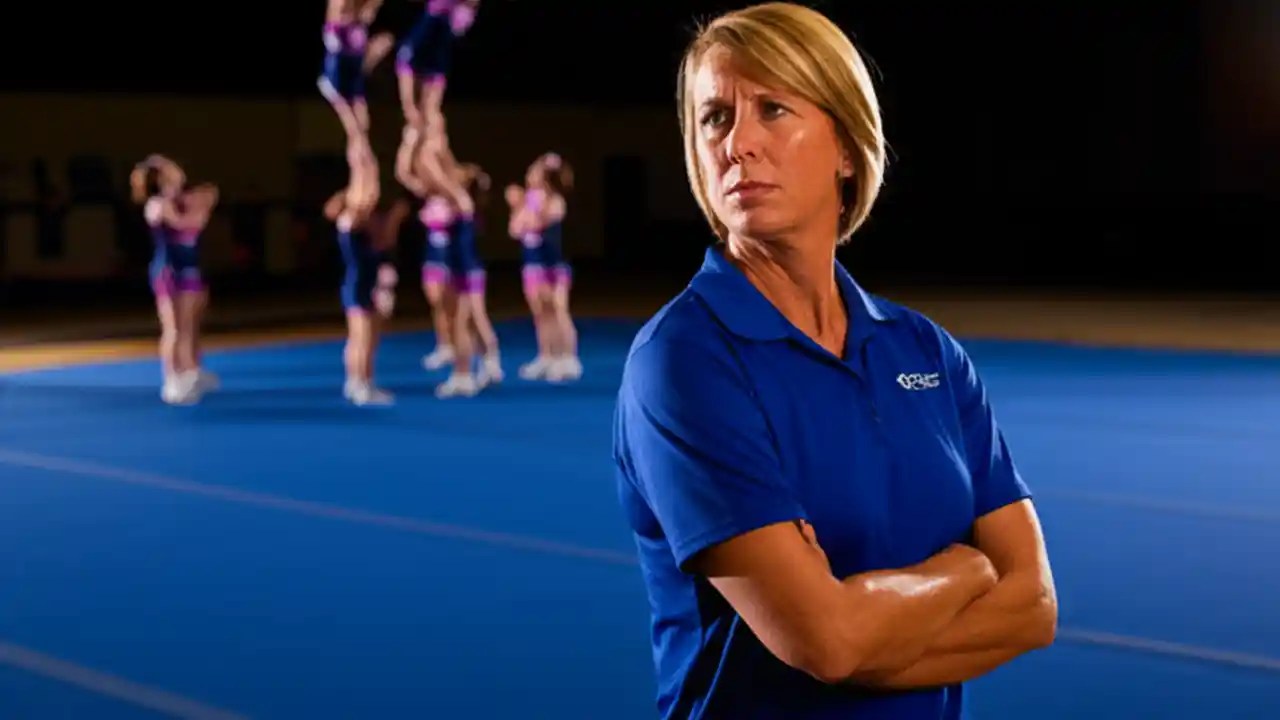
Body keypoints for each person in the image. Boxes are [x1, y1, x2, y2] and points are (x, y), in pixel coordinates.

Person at [611, 4, 1057, 719]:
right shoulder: (685, 362)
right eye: (715, 118)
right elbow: (825, 642)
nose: (739, 143)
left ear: (847, 146)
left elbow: (1032, 604)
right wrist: (964, 568)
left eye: (774, 108)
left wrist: (864, 638)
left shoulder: (926, 351)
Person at [130, 154, 220, 405]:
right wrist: (198, 212)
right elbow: (185, 223)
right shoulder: (157, 205)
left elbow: (209, 194)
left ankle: (191, 371)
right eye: (173, 172)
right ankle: (171, 379)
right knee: (173, 328)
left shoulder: (183, 200)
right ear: (163, 180)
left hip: (189, 267)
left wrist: (198, 206)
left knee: (190, 325)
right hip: (168, 270)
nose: (180, 176)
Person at [324, 135, 401, 406]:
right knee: (363, 338)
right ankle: (362, 385)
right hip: (359, 284)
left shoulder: (357, 225)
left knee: (364, 338)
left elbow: (382, 242)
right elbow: (367, 196)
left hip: (364, 282)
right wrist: (364, 165)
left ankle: (356, 382)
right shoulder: (351, 223)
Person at [514, 153, 581, 383]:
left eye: (536, 171)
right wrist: (522, 209)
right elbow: (515, 229)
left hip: (554, 265)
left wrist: (524, 209)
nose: (530, 175)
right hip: (533, 263)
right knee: (540, 313)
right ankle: (546, 356)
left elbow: (536, 222)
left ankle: (569, 358)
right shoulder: (529, 199)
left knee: (558, 310)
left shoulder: (556, 201)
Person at [318, 0, 394, 142]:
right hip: (335, 82)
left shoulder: (359, 27)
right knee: (356, 129)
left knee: (361, 127)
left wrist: (374, 53)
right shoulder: (339, 20)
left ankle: (360, 157)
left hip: (350, 77)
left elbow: (363, 64)